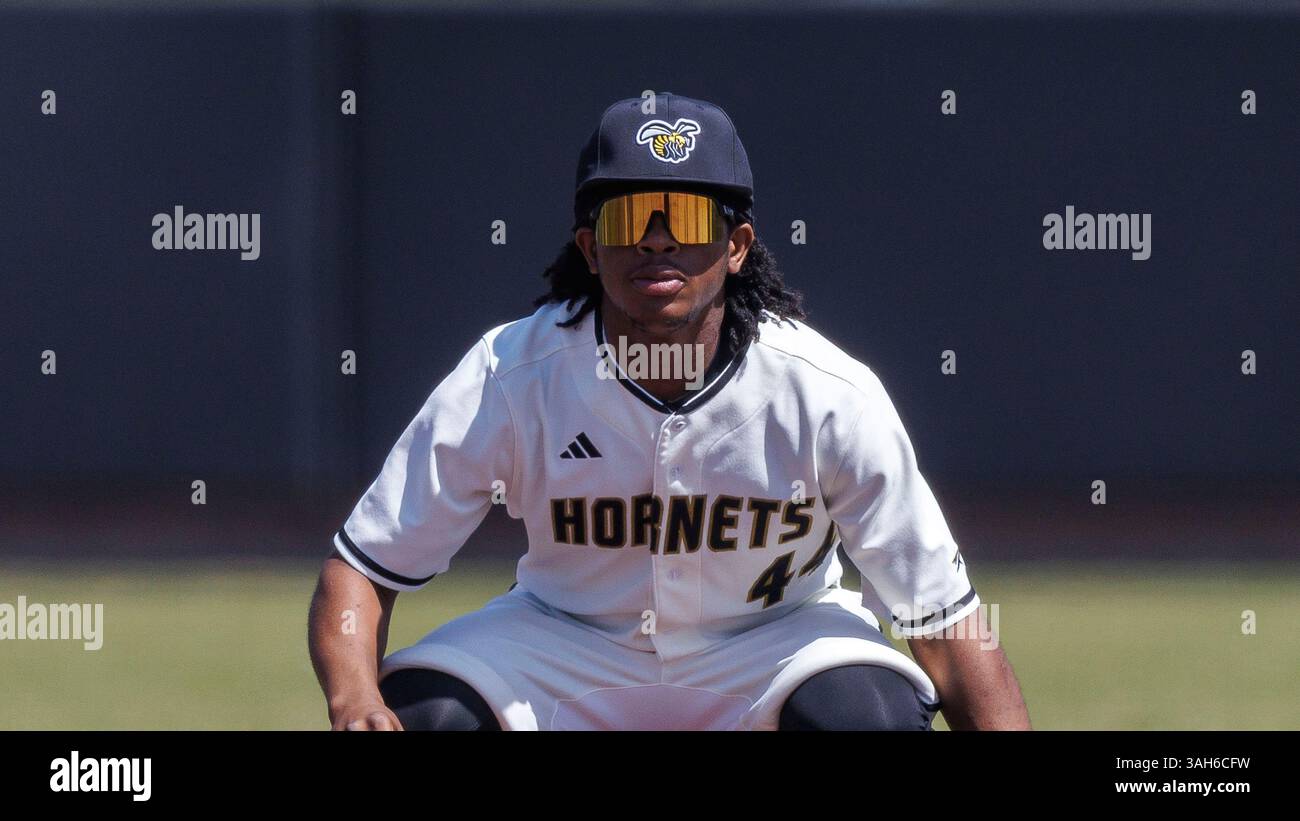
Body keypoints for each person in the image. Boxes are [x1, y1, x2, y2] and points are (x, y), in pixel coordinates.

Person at [308, 92, 1031, 731]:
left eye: (685, 213)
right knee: (426, 715)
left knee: (863, 714)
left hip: (777, 644)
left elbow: (945, 622)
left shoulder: (826, 391)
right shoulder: (512, 372)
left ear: (737, 245)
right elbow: (362, 569)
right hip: (561, 640)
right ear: (591, 248)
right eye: (628, 215)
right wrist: (353, 699)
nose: (658, 237)